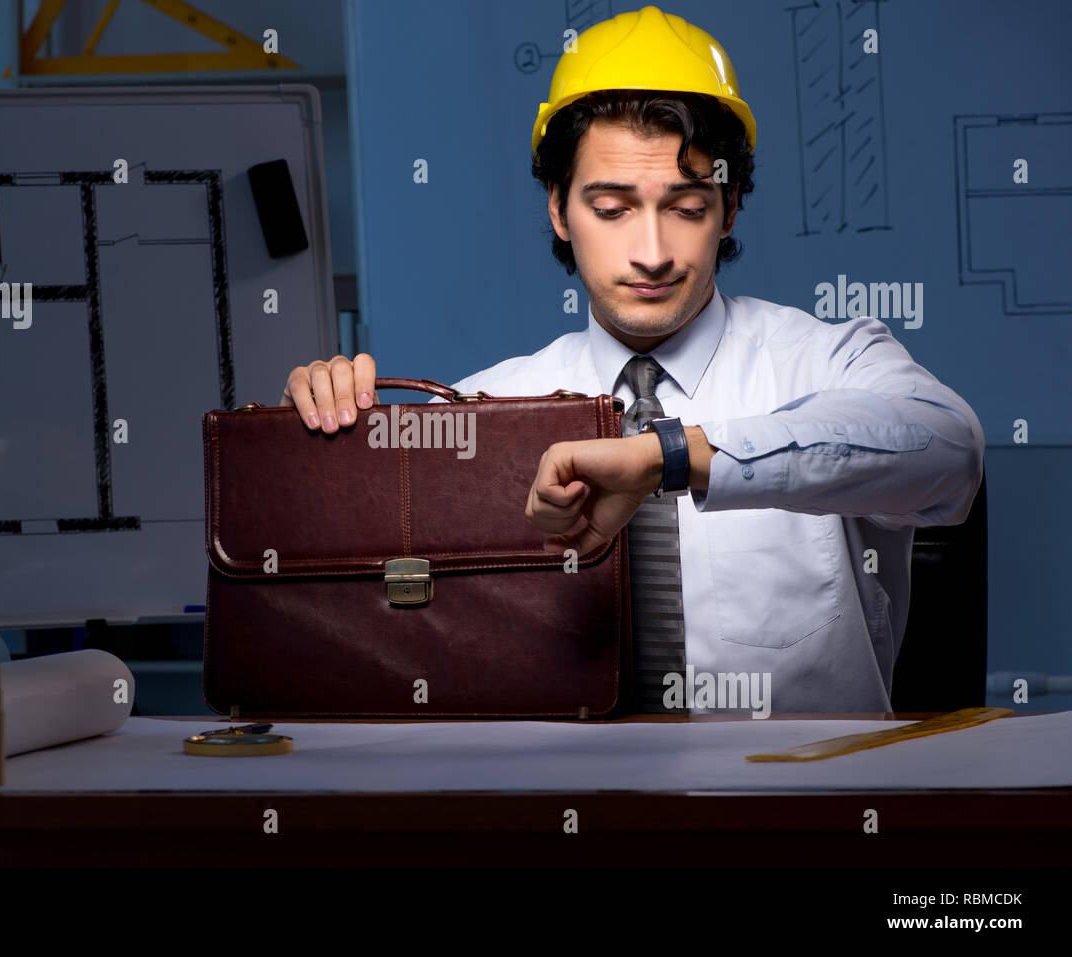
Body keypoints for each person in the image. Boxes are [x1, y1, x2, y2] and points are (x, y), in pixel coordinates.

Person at [278, 7, 984, 713]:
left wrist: (670, 456)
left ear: (730, 206)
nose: (651, 251)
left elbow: (951, 452)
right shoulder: (474, 415)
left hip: (793, 810)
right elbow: (351, 626)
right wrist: (321, 461)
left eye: (685, 206)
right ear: (558, 209)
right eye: (612, 208)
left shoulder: (828, 360)